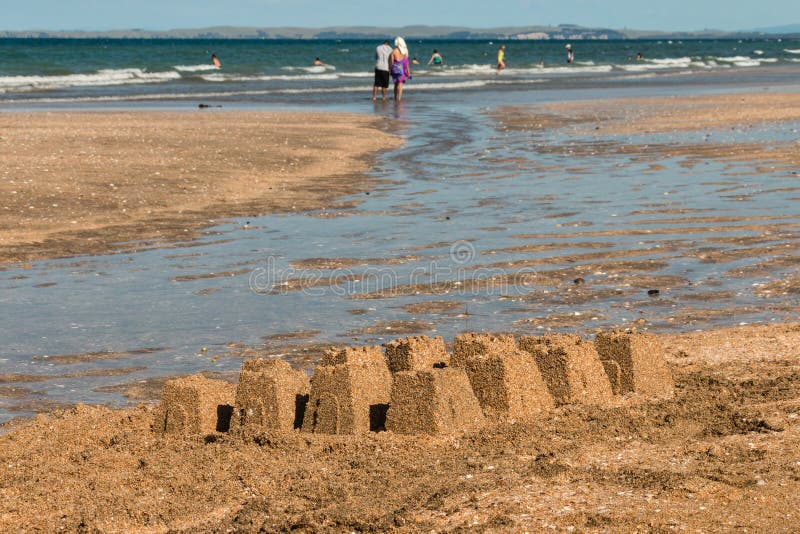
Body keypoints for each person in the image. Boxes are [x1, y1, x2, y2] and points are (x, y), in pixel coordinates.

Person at [390, 36, 411, 101]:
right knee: (400, 84)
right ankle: (399, 98)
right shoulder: (405, 51)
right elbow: (406, 62)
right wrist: (408, 72)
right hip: (402, 69)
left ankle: (395, 97)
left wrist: (390, 70)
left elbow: (391, 63)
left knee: (396, 84)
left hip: (395, 69)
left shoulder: (393, 51)